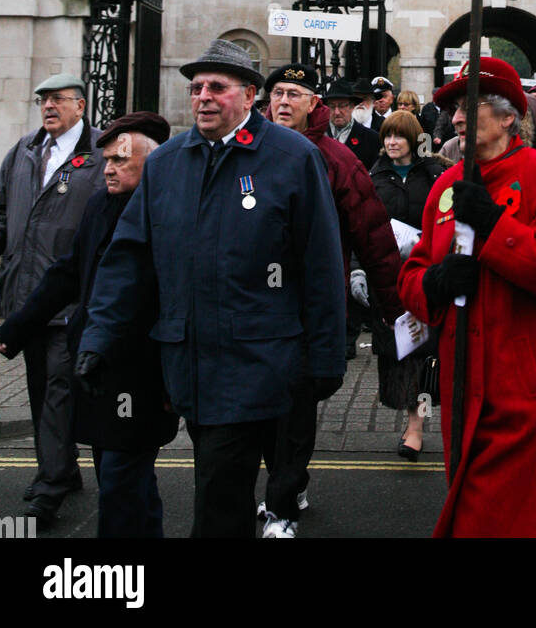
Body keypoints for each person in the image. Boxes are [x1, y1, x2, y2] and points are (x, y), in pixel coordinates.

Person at [77, 38, 346, 539]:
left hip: (256, 361)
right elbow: (128, 260)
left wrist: (327, 356)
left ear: (249, 96)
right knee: (221, 486)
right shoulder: (166, 163)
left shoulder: (292, 157)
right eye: (196, 88)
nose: (203, 97)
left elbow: (321, 264)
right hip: (186, 361)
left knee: (219, 493)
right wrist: (98, 338)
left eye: (217, 87)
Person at [398, 56, 536, 538]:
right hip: (462, 380)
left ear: (507, 117)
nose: (456, 117)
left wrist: (493, 225)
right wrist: (435, 283)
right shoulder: (445, 184)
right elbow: (413, 274)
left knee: (520, 517)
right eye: (455, 108)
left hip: (523, 384)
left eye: (469, 106)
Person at [0, 112, 179, 537]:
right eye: (107, 160)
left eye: (120, 160)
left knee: (120, 479)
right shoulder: (99, 204)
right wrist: (17, 327)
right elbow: (67, 271)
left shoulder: (170, 212)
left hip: (142, 370)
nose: (108, 169)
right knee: (125, 479)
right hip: (95, 364)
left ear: (153, 161)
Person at [260, 63, 402, 536]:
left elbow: (374, 234)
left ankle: (282, 505)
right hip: (255, 306)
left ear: (312, 104)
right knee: (265, 409)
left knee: (297, 406)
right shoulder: (250, 150)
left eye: (294, 94)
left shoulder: (335, 158)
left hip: (310, 305)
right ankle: (288, 481)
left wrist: (394, 305)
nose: (284, 102)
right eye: (278, 93)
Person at [0, 72, 105, 528]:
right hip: (26, 298)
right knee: (41, 387)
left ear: (80, 105)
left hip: (71, 298)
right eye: (43, 100)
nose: (48, 107)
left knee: (58, 387)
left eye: (58, 99)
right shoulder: (23, 150)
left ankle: (51, 485)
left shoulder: (100, 154)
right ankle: (64, 468)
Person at [369, 109, 449, 460]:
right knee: (396, 351)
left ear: (414, 139)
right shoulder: (374, 176)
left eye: (399, 136)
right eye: (387, 135)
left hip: (424, 274)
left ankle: (416, 427)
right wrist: (358, 271)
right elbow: (363, 227)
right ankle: (409, 419)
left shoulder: (434, 174)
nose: (392, 142)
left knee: (423, 352)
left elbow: (446, 221)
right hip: (387, 278)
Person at [325, 78, 381, 168]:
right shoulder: (319, 134)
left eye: (342, 106)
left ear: (352, 106)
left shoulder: (372, 138)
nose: (337, 112)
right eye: (332, 106)